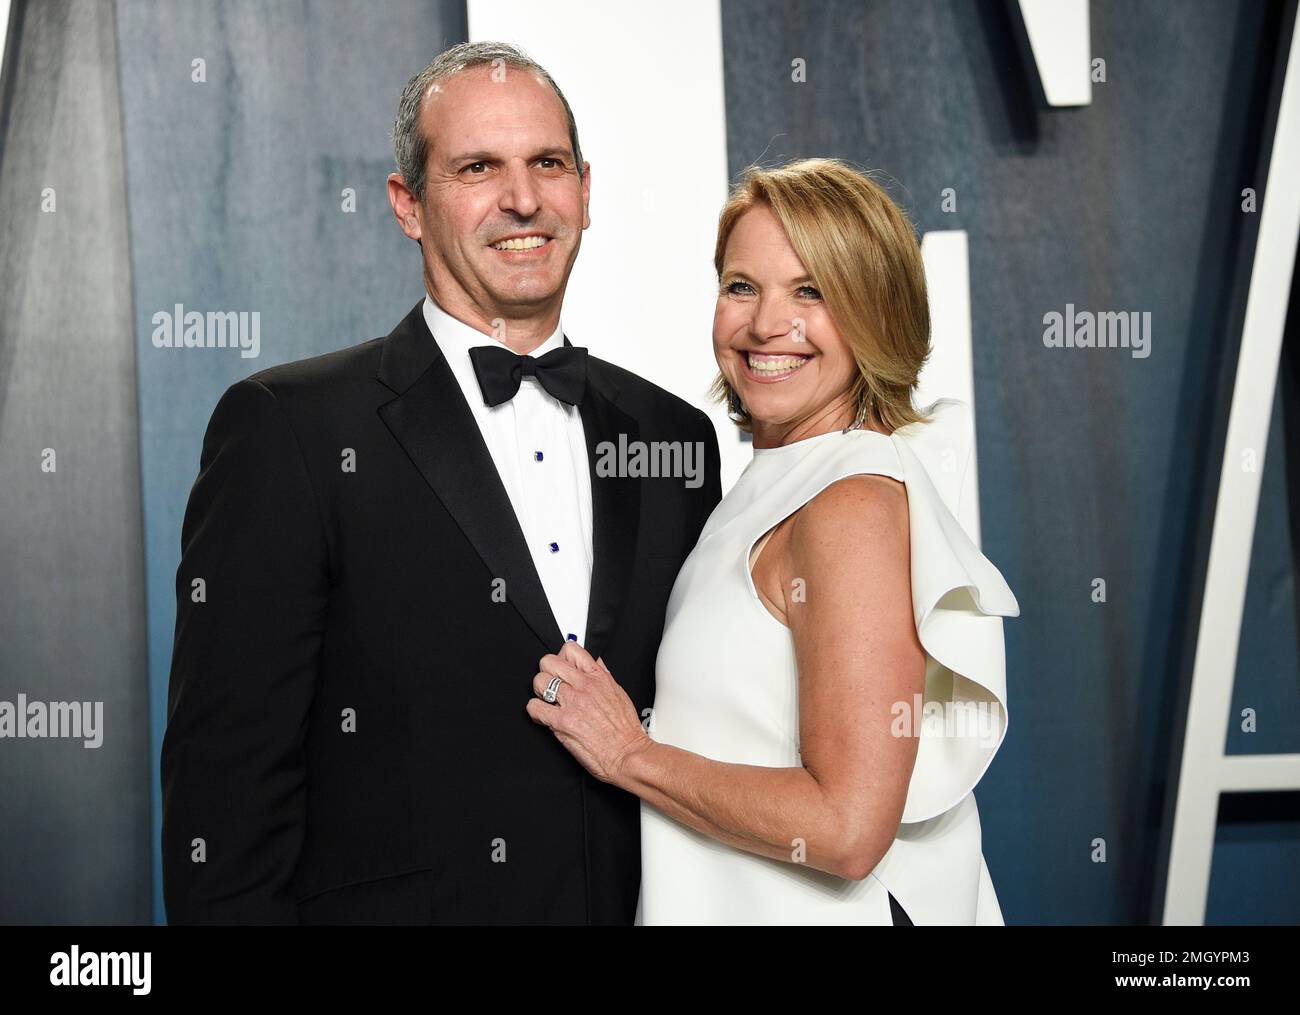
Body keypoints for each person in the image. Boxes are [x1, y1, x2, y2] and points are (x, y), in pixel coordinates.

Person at [160, 41, 720, 925]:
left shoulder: (675, 438)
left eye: (547, 163)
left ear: (586, 188)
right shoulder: (289, 429)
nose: (524, 198)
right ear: (407, 205)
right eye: (477, 167)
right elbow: (224, 794)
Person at [527, 158, 1020, 925]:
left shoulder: (848, 501)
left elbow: (848, 827)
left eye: (812, 292)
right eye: (741, 286)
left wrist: (631, 754)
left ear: (874, 313)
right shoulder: (783, 481)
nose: (765, 325)